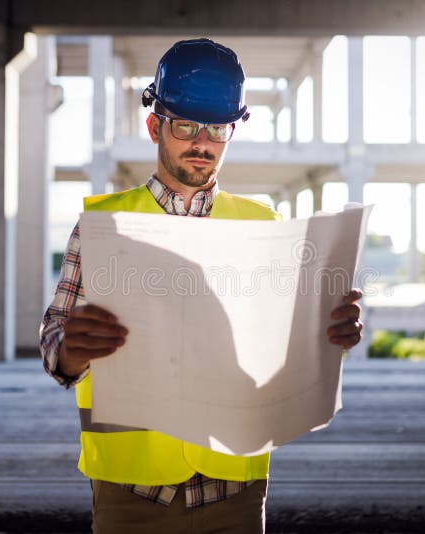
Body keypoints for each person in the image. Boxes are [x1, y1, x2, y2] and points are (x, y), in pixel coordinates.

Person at [39, 38, 364, 533]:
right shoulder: (103, 225)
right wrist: (72, 350)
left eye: (218, 129)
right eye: (187, 126)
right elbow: (54, 344)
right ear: (155, 126)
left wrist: (329, 335)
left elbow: (284, 348)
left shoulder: (265, 226)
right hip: (132, 494)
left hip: (234, 490)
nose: (203, 143)